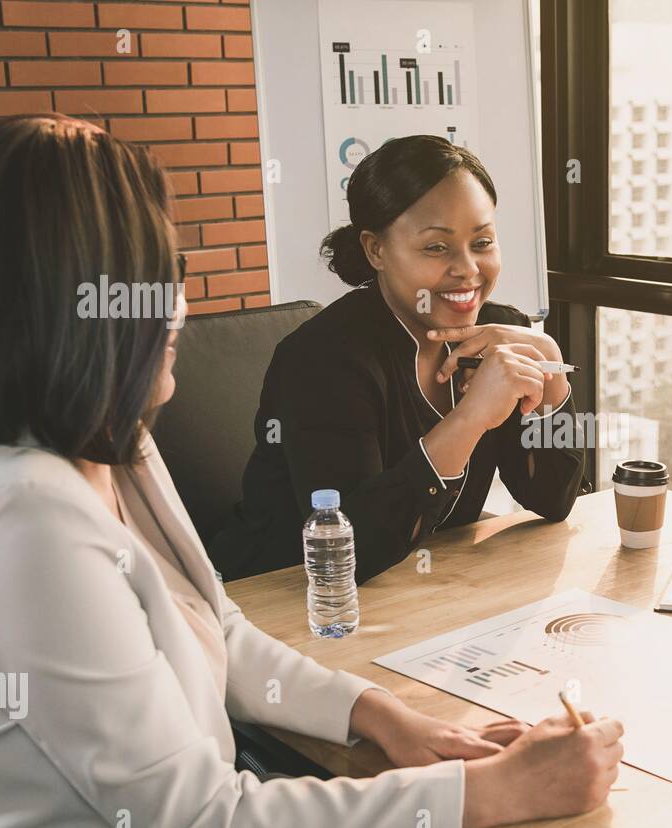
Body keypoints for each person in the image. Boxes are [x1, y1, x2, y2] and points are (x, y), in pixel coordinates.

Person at [0, 115, 623, 828]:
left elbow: (218, 629)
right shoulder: (23, 522)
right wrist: (496, 790)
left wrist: (384, 716)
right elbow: (203, 826)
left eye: (175, 276)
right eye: (149, 283)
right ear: (63, 307)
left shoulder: (115, 444)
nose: (176, 311)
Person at [211, 135, 585, 583]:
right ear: (376, 250)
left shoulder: (499, 334)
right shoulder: (322, 361)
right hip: (282, 597)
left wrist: (553, 379)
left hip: (424, 589)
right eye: (436, 247)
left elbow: (555, 499)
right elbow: (352, 554)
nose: (467, 268)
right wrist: (469, 419)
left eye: (482, 242)